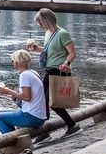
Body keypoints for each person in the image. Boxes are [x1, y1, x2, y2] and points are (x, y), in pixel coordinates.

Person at [26, 8, 80, 142]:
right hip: (50, 69)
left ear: (46, 21)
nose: (39, 26)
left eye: (40, 23)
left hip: (58, 70)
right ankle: (63, 127)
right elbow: (48, 51)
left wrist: (66, 63)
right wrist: (36, 48)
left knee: (47, 101)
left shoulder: (62, 34)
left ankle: (48, 130)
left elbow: (72, 52)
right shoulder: (48, 33)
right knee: (46, 101)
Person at [0, 50, 47, 137]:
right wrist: (11, 92)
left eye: (13, 61)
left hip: (32, 116)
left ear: (17, 63)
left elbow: (27, 97)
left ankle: (13, 141)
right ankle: (16, 137)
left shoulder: (24, 75)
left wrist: (7, 91)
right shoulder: (33, 72)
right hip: (39, 115)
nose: (12, 63)